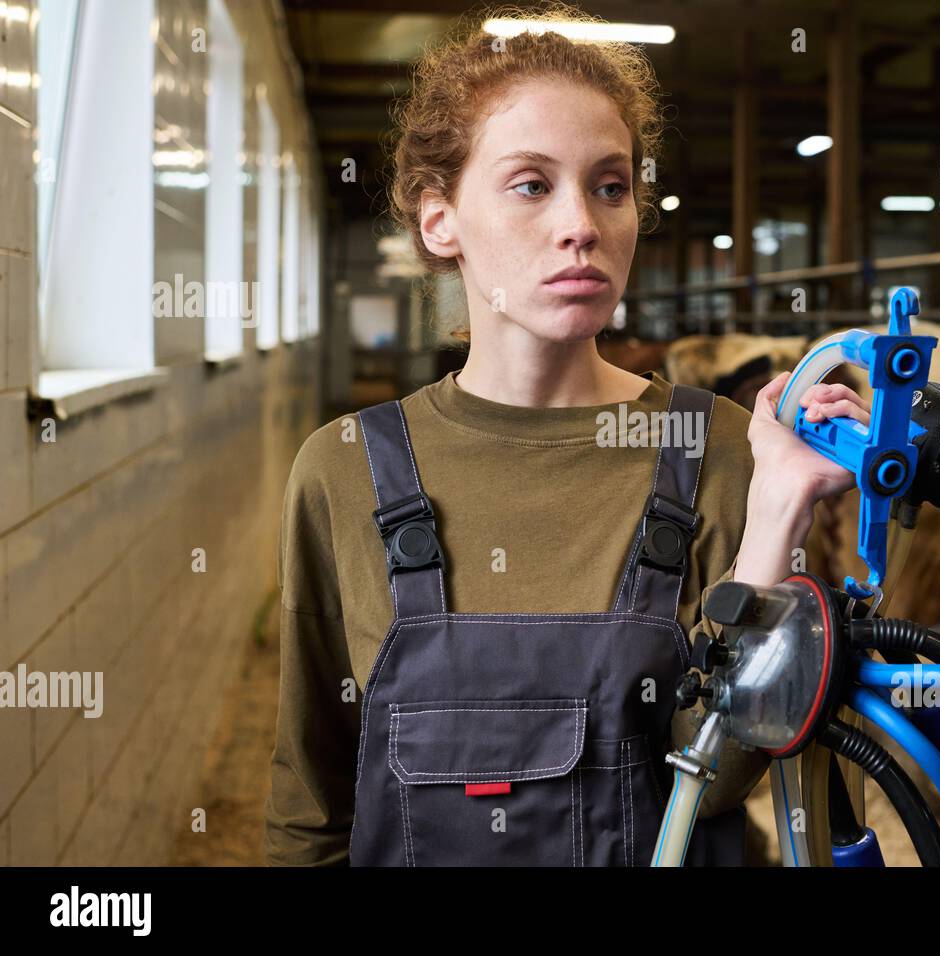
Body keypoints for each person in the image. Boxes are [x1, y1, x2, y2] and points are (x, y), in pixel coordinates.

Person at [265, 2, 870, 866]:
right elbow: (311, 795)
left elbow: (725, 774)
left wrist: (777, 515)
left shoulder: (723, 448)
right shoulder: (345, 469)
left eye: (610, 185)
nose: (582, 223)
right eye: (531, 184)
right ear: (440, 221)